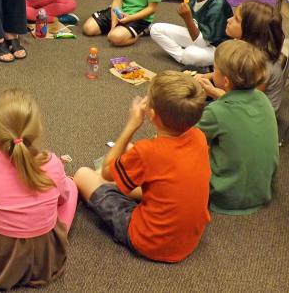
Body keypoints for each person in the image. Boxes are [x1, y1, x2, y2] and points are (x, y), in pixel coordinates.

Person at [73, 71, 210, 263]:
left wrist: (132, 125)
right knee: (131, 155)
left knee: (83, 175)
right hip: (190, 239)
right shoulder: (199, 137)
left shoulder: (147, 152)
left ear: (151, 114)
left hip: (150, 241)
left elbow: (106, 170)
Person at [0, 89, 77, 289]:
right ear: (38, 130)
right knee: (70, 185)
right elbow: (63, 199)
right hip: (46, 261)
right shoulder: (52, 162)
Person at [197, 40, 279, 214]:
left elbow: (187, 136)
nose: (212, 70)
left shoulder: (215, 112)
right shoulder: (261, 98)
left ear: (225, 81)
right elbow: (237, 109)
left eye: (214, 68)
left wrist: (195, 98)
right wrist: (214, 92)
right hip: (262, 191)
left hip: (224, 196)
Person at [195, 1, 284, 113]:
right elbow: (232, 75)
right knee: (191, 73)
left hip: (252, 113)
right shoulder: (243, 47)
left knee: (198, 110)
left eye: (236, 19)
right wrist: (206, 76)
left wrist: (213, 91)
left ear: (251, 30)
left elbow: (246, 104)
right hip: (237, 91)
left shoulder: (259, 66)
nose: (229, 20)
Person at [150, 0, 235, 67]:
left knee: (191, 54)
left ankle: (186, 58)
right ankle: (183, 56)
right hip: (199, 36)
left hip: (217, 48)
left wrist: (187, 18)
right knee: (156, 29)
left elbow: (202, 43)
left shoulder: (218, 5)